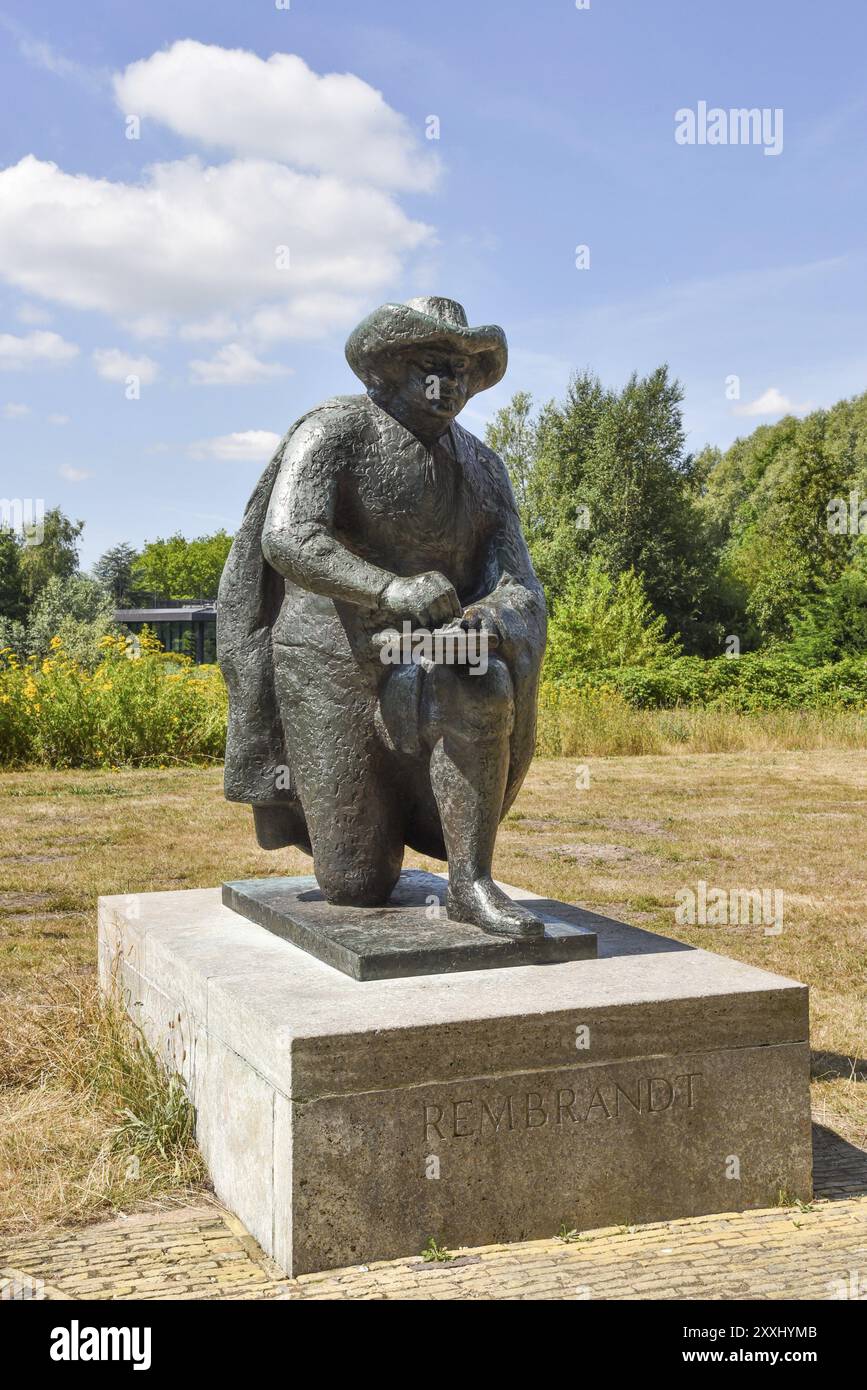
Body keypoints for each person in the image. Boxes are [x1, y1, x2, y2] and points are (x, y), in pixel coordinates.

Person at [218, 297, 547, 938]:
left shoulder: (483, 468)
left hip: (436, 654)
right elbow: (289, 538)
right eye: (433, 364)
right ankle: (344, 811)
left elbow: (518, 583)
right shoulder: (333, 431)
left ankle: (471, 881)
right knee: (357, 883)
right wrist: (387, 589)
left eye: (461, 369)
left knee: (480, 678)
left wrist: (490, 618)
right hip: (330, 658)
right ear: (388, 367)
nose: (449, 382)